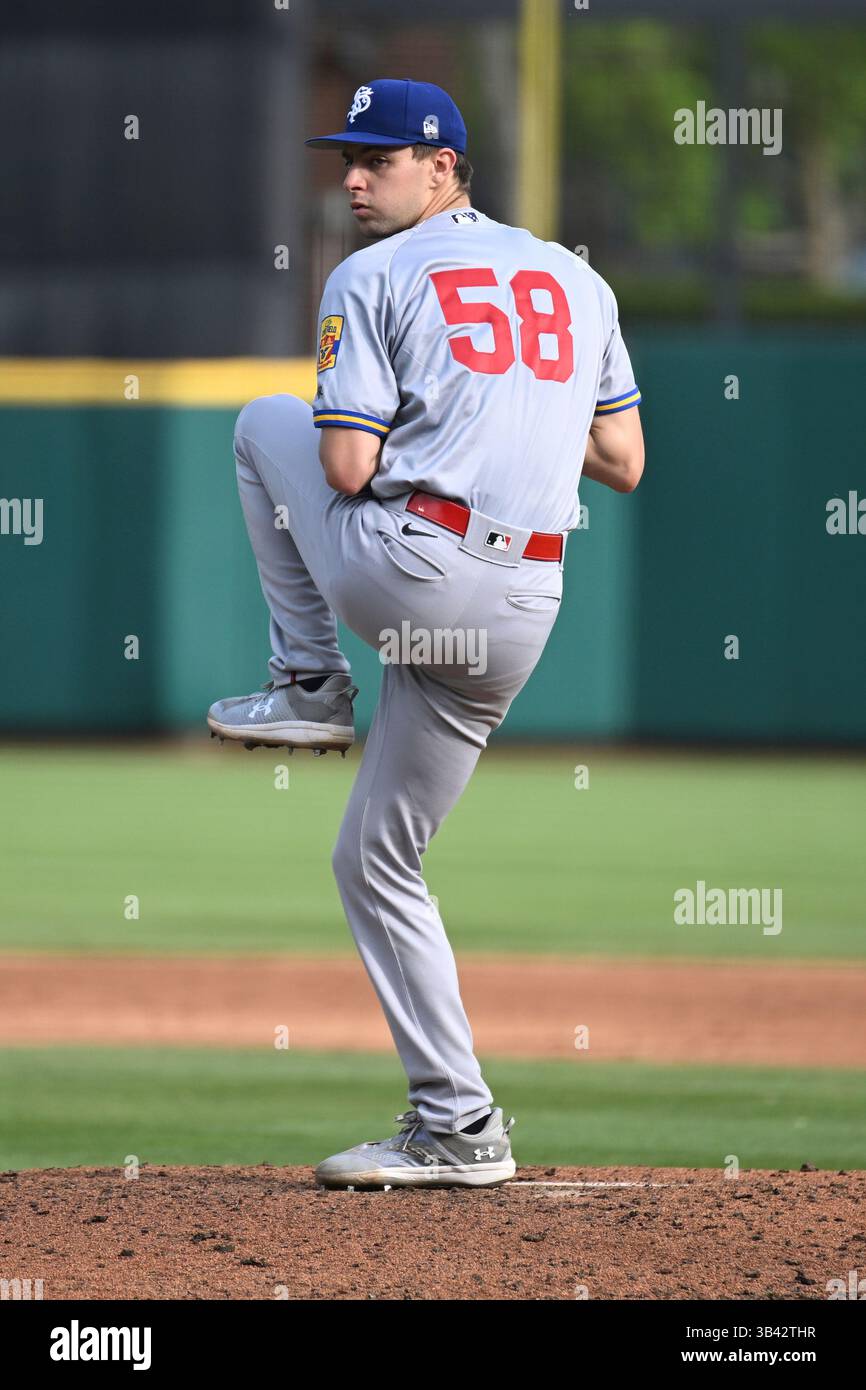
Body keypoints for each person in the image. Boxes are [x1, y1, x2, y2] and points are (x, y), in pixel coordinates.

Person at [207, 78, 644, 1188]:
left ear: (443, 168)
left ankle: (308, 681)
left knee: (265, 424)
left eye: (380, 157)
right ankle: (459, 1125)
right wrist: (507, 409)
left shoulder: (371, 272)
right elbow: (624, 462)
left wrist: (433, 412)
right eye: (347, 155)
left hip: (411, 573)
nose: (352, 175)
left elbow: (347, 468)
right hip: (520, 610)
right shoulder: (577, 279)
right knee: (374, 857)